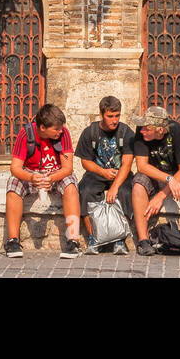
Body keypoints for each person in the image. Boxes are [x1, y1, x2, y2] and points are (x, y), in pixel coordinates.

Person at [2, 103, 83, 259]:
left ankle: (73, 240)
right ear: (42, 128)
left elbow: (67, 168)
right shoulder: (26, 134)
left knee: (71, 185)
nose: (61, 131)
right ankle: (12, 241)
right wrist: (32, 178)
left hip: (56, 173)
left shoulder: (63, 134)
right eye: (56, 129)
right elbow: (15, 167)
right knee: (13, 184)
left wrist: (51, 178)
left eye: (61, 128)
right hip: (31, 172)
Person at [130, 106, 180, 255]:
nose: (142, 131)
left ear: (160, 130)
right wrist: (169, 179)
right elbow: (142, 166)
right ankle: (143, 241)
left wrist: (161, 196)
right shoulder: (141, 132)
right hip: (155, 172)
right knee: (138, 185)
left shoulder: (177, 131)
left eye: (147, 129)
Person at [74, 95, 136, 255]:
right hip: (97, 173)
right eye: (110, 116)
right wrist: (103, 172)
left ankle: (120, 240)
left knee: (127, 192)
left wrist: (115, 187)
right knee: (85, 191)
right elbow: (85, 162)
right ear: (101, 115)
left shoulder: (126, 132)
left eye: (117, 116)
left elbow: (127, 163)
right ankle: (94, 239)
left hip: (121, 173)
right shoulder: (90, 132)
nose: (114, 120)